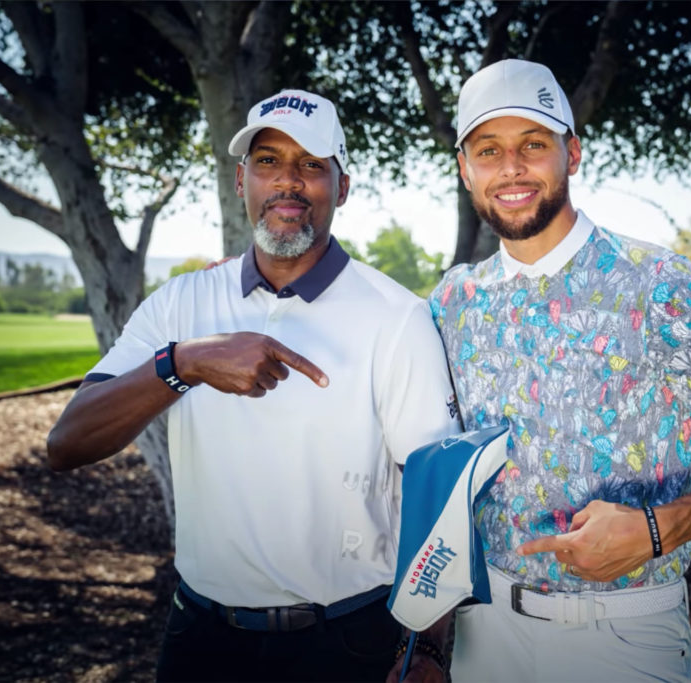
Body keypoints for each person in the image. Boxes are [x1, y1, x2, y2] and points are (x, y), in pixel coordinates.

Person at [47, 89, 460, 682]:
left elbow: (435, 495)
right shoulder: (181, 305)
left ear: (342, 188)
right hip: (201, 640)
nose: (287, 181)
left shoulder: (397, 317)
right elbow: (68, 442)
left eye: (312, 165)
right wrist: (184, 364)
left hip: (347, 642)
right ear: (242, 180)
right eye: (267, 161)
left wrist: (429, 650)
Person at [424, 59, 691, 682]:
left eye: (534, 145)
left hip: (622, 632)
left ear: (572, 154)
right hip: (481, 630)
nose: (512, 168)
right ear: (465, 169)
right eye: (488, 150)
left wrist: (658, 531)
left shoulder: (660, 285)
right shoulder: (454, 302)